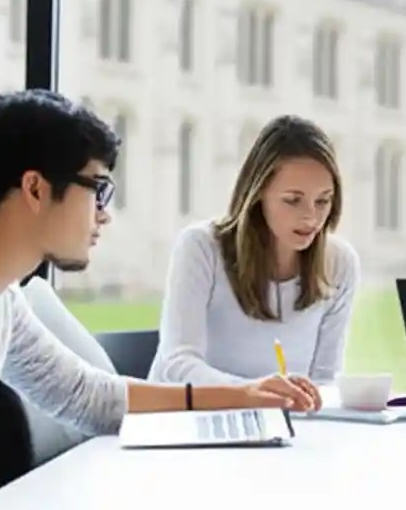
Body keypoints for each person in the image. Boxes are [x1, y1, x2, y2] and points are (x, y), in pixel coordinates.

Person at [0, 90, 319, 469]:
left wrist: (244, 395)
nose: (104, 214)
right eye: (97, 190)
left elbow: (85, 396)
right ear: (35, 188)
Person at [150, 116, 358, 385]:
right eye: (293, 200)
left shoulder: (340, 263)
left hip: (281, 424)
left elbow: (325, 379)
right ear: (258, 193)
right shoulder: (200, 247)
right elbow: (177, 364)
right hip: (186, 420)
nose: (311, 217)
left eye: (323, 201)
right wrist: (254, 393)